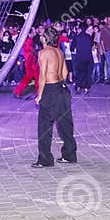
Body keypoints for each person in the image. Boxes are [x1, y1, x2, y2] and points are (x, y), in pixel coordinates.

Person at [31, 27, 78, 168]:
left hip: (50, 90)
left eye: (42, 36)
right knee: (65, 124)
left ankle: (45, 159)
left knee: (45, 126)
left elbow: (43, 76)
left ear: (45, 38)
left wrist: (39, 95)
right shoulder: (59, 52)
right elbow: (64, 73)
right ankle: (70, 155)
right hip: (62, 89)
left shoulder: (43, 53)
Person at [14, 32, 39, 98]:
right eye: (33, 32)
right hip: (31, 61)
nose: (34, 33)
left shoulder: (24, 40)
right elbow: (31, 50)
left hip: (28, 60)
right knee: (36, 77)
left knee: (28, 78)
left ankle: (18, 91)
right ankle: (39, 92)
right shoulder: (29, 40)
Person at [71, 24, 95, 94]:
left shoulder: (77, 37)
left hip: (79, 57)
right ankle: (86, 88)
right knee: (87, 73)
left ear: (80, 29)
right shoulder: (89, 37)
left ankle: (78, 87)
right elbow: (91, 45)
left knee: (79, 73)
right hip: (88, 57)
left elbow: (72, 47)